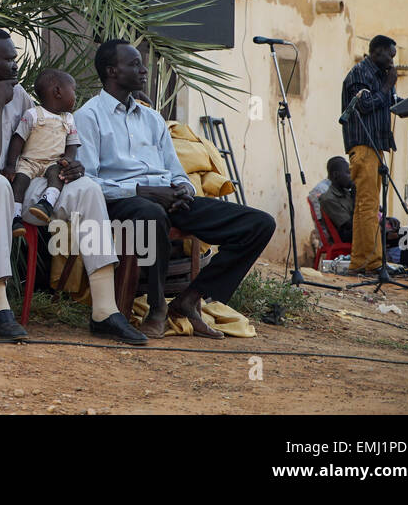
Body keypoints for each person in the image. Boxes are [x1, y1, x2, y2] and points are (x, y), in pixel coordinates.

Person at [0, 27, 145, 344]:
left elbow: (41, 135)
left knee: (87, 189)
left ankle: (105, 311)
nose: (15, 66)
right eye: (8, 60)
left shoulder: (18, 95)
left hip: (14, 183)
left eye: (16, 59)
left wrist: (68, 163)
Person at [75, 40, 275, 339]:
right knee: (151, 213)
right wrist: (144, 191)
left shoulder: (152, 118)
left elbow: (175, 170)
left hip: (170, 199)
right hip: (123, 202)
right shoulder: (89, 116)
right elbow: (89, 182)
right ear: (111, 71)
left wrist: (182, 188)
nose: (143, 70)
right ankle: (157, 307)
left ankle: (189, 299)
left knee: (259, 224)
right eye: (134, 64)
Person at [340, 35, 402, 274]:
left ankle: (361, 262)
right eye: (391, 55)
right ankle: (373, 263)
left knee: (367, 207)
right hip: (363, 145)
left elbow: (391, 102)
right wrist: (387, 85)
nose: (393, 61)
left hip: (375, 146)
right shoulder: (360, 73)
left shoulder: (379, 76)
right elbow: (364, 105)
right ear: (377, 52)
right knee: (368, 206)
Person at [6, 68, 80, 224]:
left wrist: (68, 159)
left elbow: (72, 144)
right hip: (29, 161)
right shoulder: (32, 114)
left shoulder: (68, 119)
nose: (76, 96)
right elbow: (18, 140)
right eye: (73, 91)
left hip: (53, 162)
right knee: (20, 183)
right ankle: (15, 216)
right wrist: (11, 166)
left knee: (58, 177)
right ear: (58, 92)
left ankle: (46, 204)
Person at [309, 156, 355, 241]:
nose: (352, 177)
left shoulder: (346, 192)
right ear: (335, 175)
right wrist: (355, 197)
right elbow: (349, 224)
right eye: (348, 173)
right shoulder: (328, 198)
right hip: (344, 235)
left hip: (354, 230)